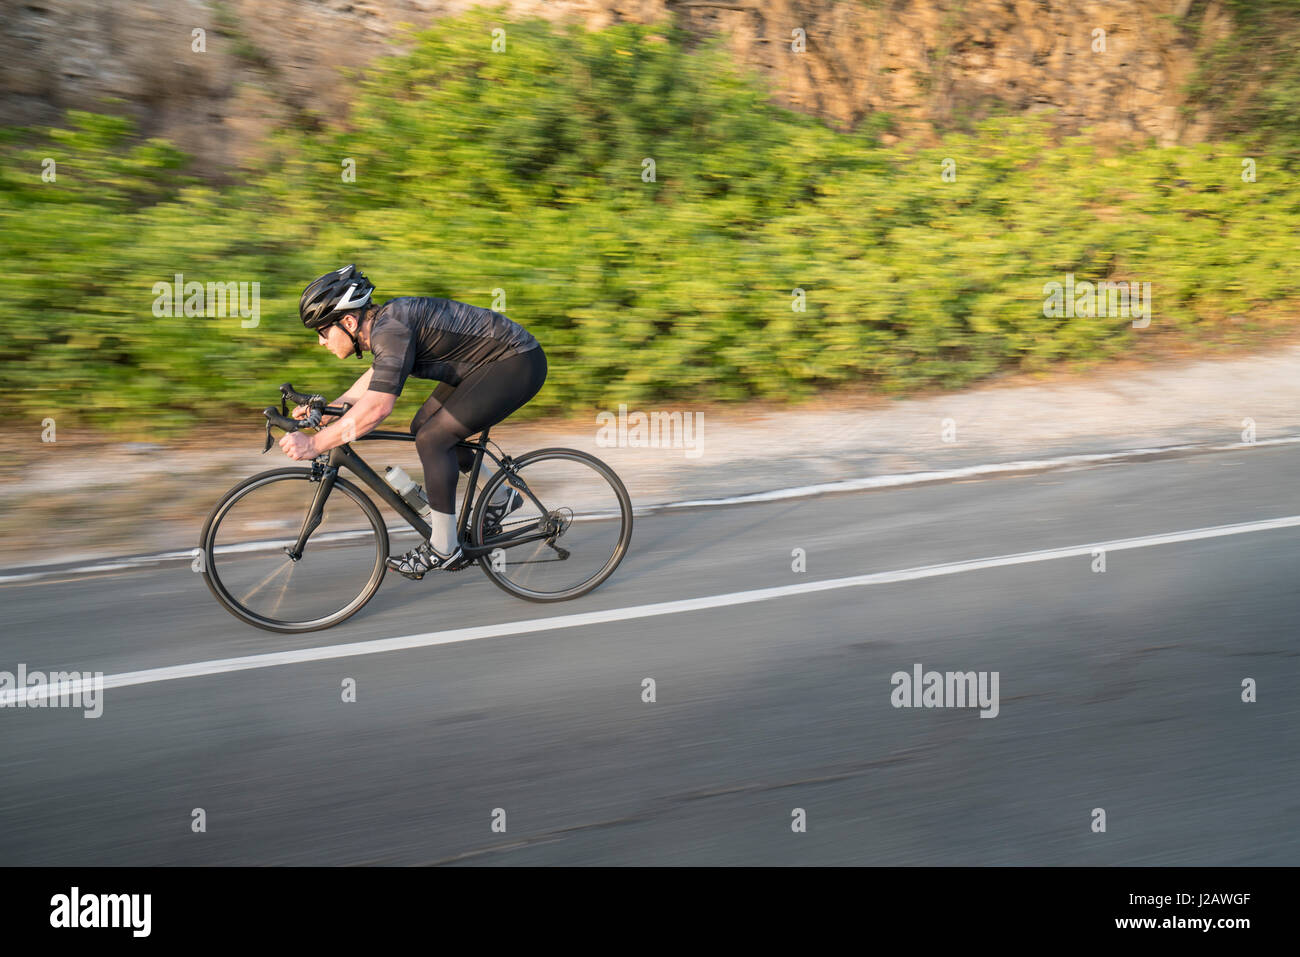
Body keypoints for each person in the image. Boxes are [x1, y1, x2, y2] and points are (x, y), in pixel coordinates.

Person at [282, 264, 547, 579]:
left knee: (433, 439)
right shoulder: (387, 329)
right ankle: (501, 498)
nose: (322, 342)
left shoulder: (390, 330)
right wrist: (329, 410)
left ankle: (444, 547)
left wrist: (316, 444)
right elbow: (371, 385)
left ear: (349, 321)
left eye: (323, 333)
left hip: (514, 362)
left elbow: (377, 408)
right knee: (423, 428)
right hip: (481, 366)